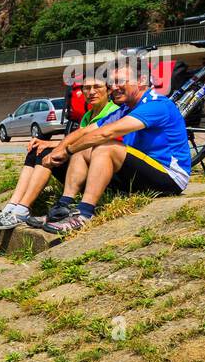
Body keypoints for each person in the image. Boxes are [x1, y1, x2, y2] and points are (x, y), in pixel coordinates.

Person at [40, 63, 192, 234]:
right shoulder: (126, 108)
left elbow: (106, 133)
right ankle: (62, 208)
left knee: (105, 146)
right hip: (142, 174)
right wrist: (60, 148)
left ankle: (84, 215)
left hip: (170, 177)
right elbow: (86, 131)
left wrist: (68, 151)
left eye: (120, 81)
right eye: (112, 82)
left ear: (141, 81)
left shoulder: (156, 105)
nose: (113, 87)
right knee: (84, 146)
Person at [0, 78, 118, 230]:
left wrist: (53, 147)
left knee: (47, 153)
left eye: (97, 87)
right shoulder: (88, 116)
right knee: (37, 150)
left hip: (98, 171)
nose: (91, 92)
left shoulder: (113, 111)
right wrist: (46, 143)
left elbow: (90, 141)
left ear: (108, 90)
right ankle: (12, 206)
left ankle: (22, 210)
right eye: (87, 88)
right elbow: (79, 140)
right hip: (80, 164)